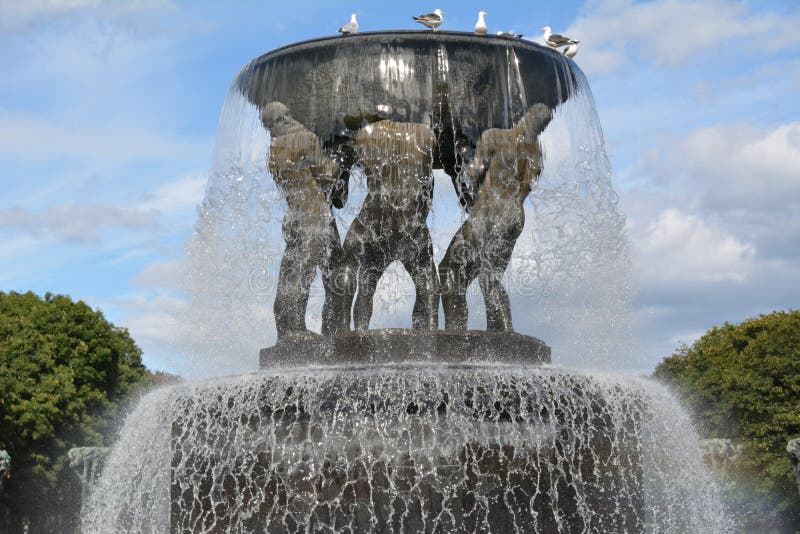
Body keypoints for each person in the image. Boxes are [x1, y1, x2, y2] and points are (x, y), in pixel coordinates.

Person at [439, 103, 552, 331]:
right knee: (489, 277)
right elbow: (526, 188)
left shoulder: (495, 137)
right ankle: (502, 334)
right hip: (514, 219)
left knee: (448, 271)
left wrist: (459, 160)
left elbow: (473, 173)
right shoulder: (535, 153)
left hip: (488, 214)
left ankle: (455, 335)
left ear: (527, 116)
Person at [335, 120, 439, 332]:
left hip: (373, 217)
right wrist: (418, 222)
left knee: (355, 271)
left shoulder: (366, 133)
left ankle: (346, 334)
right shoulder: (427, 135)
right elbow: (428, 187)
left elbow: (340, 198)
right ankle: (429, 338)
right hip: (410, 218)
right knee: (426, 276)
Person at [261, 102, 346, 338]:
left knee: (289, 271)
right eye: (286, 115)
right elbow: (326, 174)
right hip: (315, 216)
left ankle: (284, 331)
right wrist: (339, 161)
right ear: (282, 119)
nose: (290, 117)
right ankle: (305, 330)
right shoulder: (305, 138)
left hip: (294, 218)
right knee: (312, 273)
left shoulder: (274, 150)